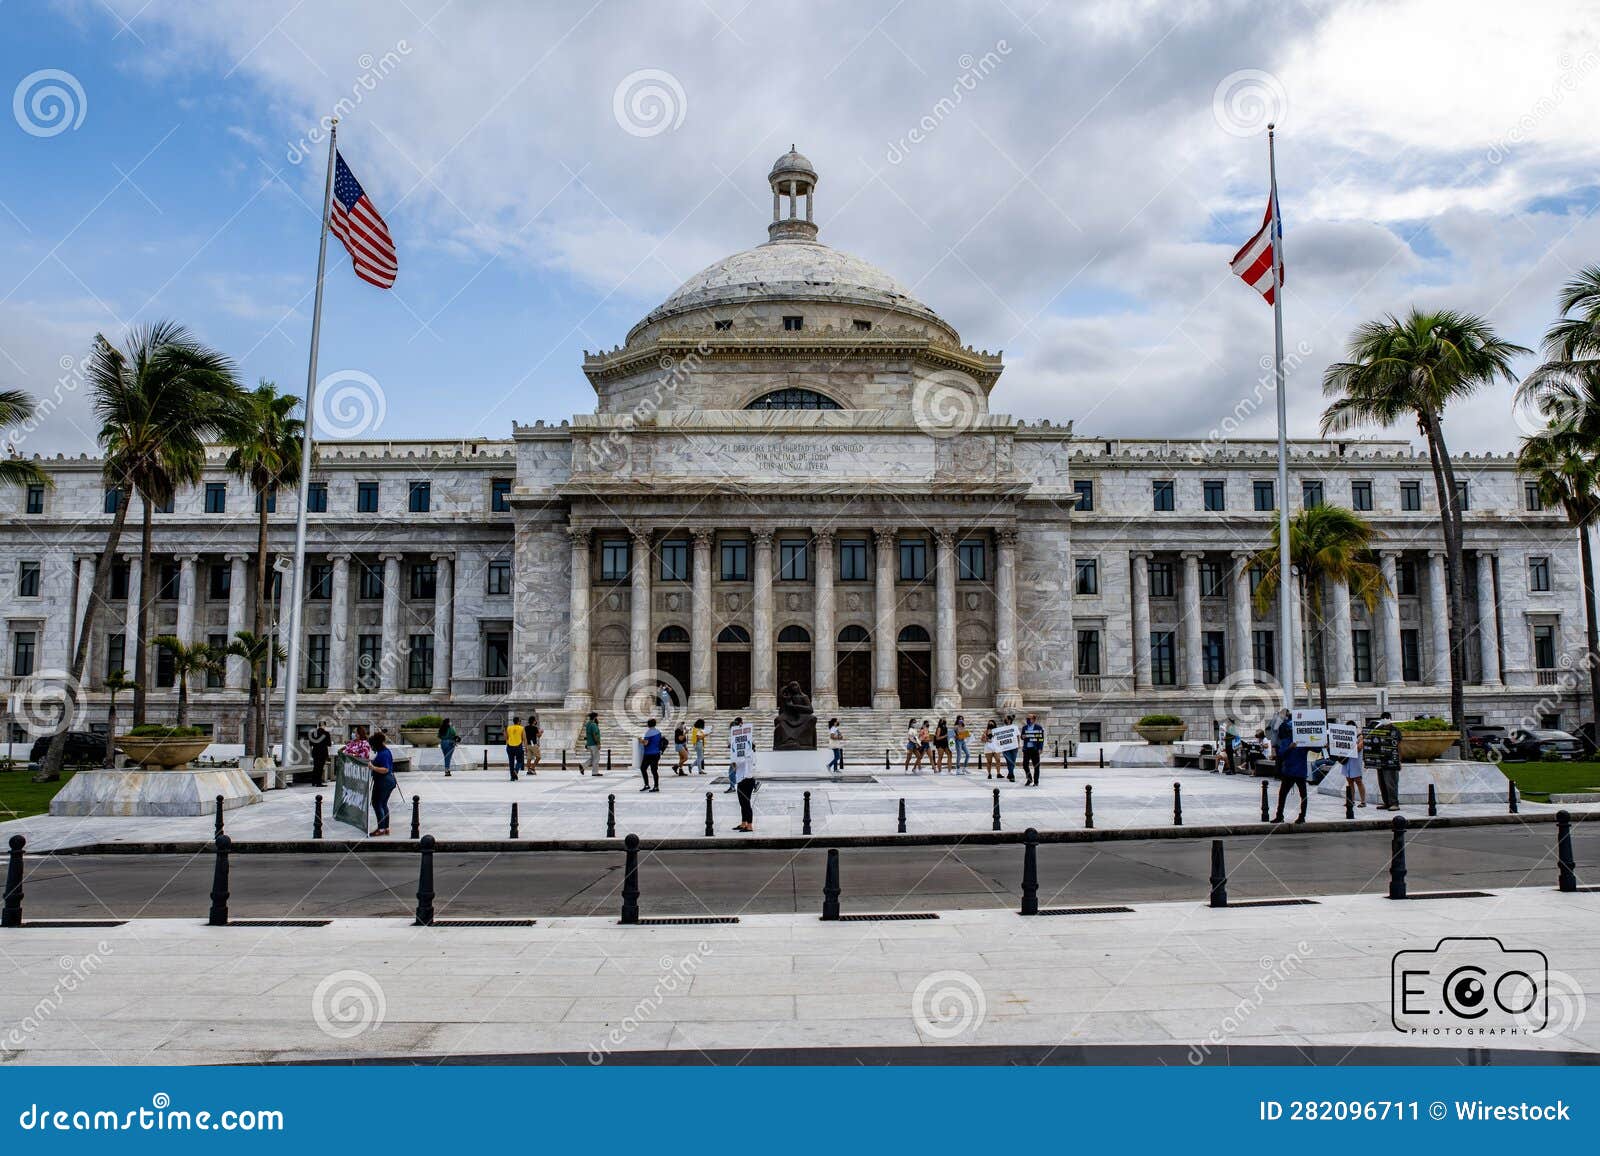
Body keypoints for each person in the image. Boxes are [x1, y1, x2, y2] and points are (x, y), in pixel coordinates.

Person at [1272, 710, 1309, 824]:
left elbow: (1315, 748)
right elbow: (1281, 754)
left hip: (1299, 771)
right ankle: (1279, 815)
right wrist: (1290, 747)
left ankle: (1302, 816)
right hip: (1289, 771)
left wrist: (1323, 744)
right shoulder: (1286, 740)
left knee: (1303, 795)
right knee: (1282, 794)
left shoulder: (1303, 740)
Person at [366, 730, 398, 837]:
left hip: (383, 782)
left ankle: (381, 828)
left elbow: (385, 769)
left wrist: (373, 767)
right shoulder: (385, 751)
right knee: (383, 804)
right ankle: (386, 828)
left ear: (376, 744)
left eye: (372, 745)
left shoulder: (383, 754)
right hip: (389, 781)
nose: (371, 747)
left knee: (377, 803)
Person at [729, 716, 756, 832]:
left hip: (747, 779)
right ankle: (743, 823)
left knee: (746, 803)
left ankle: (749, 825)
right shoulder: (739, 754)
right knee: (742, 803)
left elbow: (741, 764)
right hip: (741, 779)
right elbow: (735, 767)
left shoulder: (750, 755)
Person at [1341, 718, 1367, 809]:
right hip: (1347, 761)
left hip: (1355, 761)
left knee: (1358, 780)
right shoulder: (1344, 736)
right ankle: (1351, 800)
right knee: (1349, 781)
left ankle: (1363, 801)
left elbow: (1359, 748)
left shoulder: (1360, 736)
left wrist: (1350, 746)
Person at [638, 718, 664, 792]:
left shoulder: (648, 732)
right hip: (656, 753)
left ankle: (647, 785)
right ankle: (656, 786)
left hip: (649, 753)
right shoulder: (658, 732)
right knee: (654, 770)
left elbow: (646, 743)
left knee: (643, 768)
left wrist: (640, 740)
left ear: (648, 724)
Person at [1021, 712, 1045, 786]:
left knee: (1036, 766)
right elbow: (1022, 736)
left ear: (1034, 720)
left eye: (1029, 718)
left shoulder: (1038, 727)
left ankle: (1036, 781)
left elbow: (1041, 738)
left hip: (1035, 749)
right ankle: (1029, 779)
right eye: (1027, 718)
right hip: (1027, 749)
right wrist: (1023, 737)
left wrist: (1040, 748)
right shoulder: (1024, 727)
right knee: (1025, 765)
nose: (1028, 720)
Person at [504, 716, 526, 781]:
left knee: (511, 762)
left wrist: (504, 732)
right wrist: (526, 747)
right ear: (519, 722)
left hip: (509, 746)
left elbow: (506, 738)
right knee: (520, 760)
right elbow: (524, 738)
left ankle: (512, 777)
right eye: (520, 721)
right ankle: (516, 771)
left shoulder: (509, 728)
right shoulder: (522, 728)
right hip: (518, 746)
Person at [583, 711, 602, 776]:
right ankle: (594, 772)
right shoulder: (593, 725)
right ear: (595, 717)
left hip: (589, 743)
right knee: (596, 758)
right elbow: (595, 735)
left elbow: (588, 735)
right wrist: (598, 743)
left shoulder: (588, 724)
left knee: (593, 758)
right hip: (594, 744)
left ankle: (583, 766)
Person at [1001, 714, 1018, 782]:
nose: (1005, 720)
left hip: (1014, 746)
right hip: (1006, 747)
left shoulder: (1015, 727)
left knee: (1012, 761)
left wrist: (1018, 744)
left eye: (1006, 719)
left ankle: (1010, 773)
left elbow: (1017, 736)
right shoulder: (1003, 728)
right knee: (1009, 761)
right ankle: (1012, 775)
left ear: (1009, 720)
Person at [526, 711, 542, 775]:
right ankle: (532, 768)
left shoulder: (526, 728)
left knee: (529, 758)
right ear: (533, 721)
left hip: (528, 744)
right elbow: (539, 736)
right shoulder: (535, 728)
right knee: (538, 757)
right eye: (535, 720)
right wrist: (541, 732)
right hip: (533, 745)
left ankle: (529, 770)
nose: (536, 721)